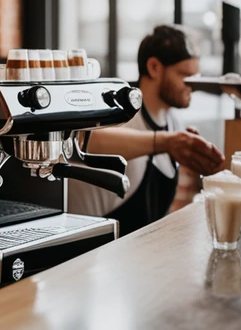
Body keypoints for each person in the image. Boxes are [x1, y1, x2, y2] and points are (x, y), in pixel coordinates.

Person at [66, 25, 224, 235]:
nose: (192, 85)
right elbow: (86, 140)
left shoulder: (172, 121)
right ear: (154, 67)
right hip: (95, 254)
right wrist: (166, 142)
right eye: (185, 75)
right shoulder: (120, 118)